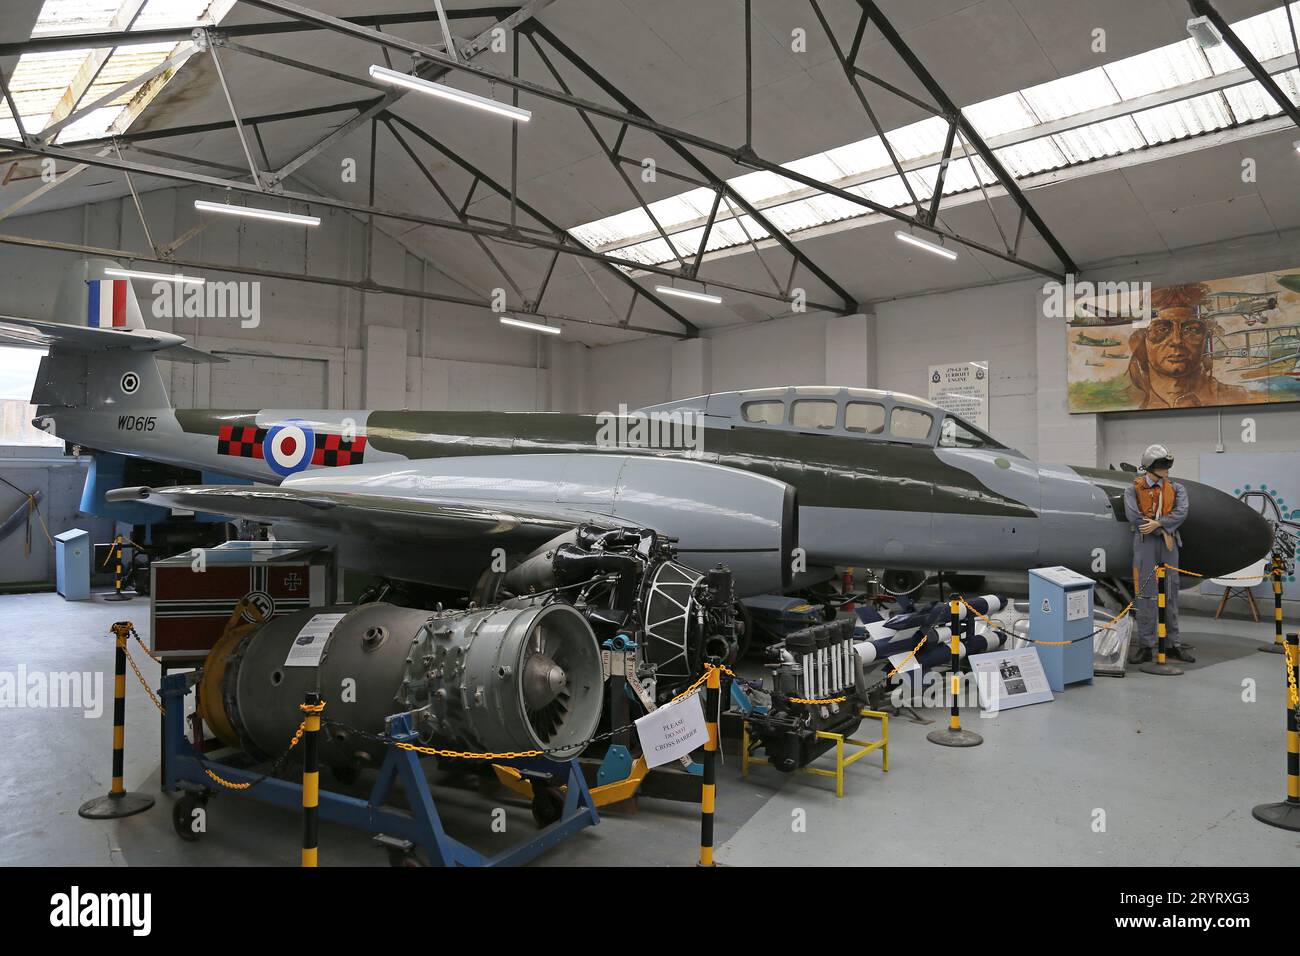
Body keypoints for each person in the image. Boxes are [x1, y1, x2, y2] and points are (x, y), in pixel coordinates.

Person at [1126, 284, 1254, 409]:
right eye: (1161, 329)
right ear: (1141, 342)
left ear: (1206, 340)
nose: (1176, 340)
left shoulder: (1239, 397)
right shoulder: (1125, 402)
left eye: (1191, 329)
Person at [1124, 444, 1195, 664]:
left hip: (1168, 541)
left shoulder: (1177, 489)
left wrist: (1159, 523)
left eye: (1167, 464)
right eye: (1162, 465)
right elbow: (1134, 516)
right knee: (1145, 593)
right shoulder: (1132, 490)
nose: (1167, 470)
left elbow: (1181, 512)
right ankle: (1146, 645)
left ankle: (1173, 643)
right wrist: (1156, 525)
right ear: (1149, 467)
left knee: (1171, 591)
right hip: (1146, 543)